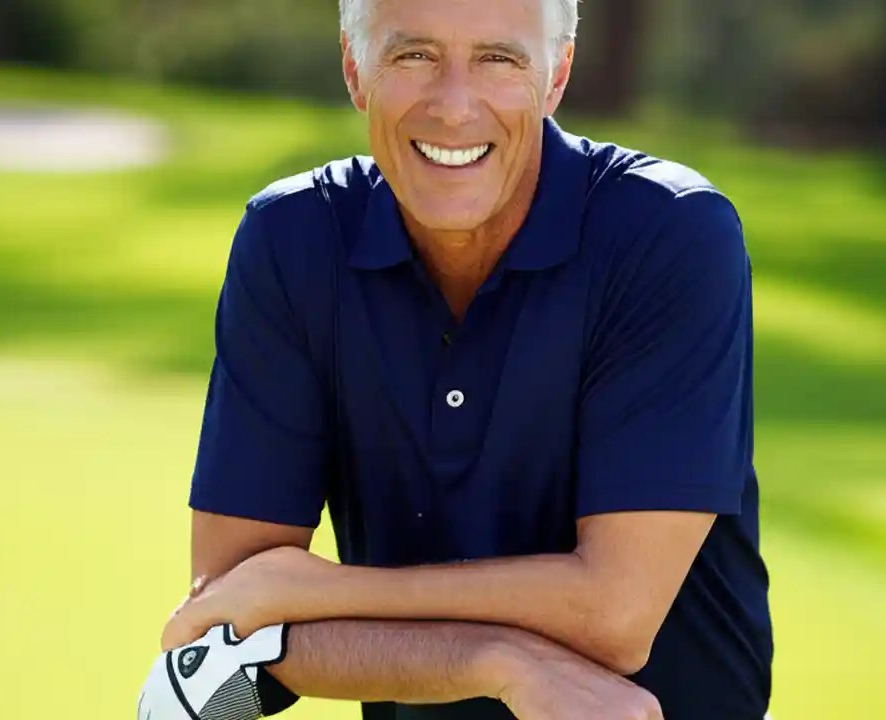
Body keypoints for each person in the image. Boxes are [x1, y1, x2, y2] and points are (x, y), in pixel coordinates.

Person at [157, 0, 772, 718]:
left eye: (498, 59)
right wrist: (500, 661)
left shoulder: (669, 234)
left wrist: (320, 593)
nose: (453, 108)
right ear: (355, 70)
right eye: (412, 56)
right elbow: (228, 635)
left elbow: (614, 617)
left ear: (557, 75)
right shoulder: (291, 240)